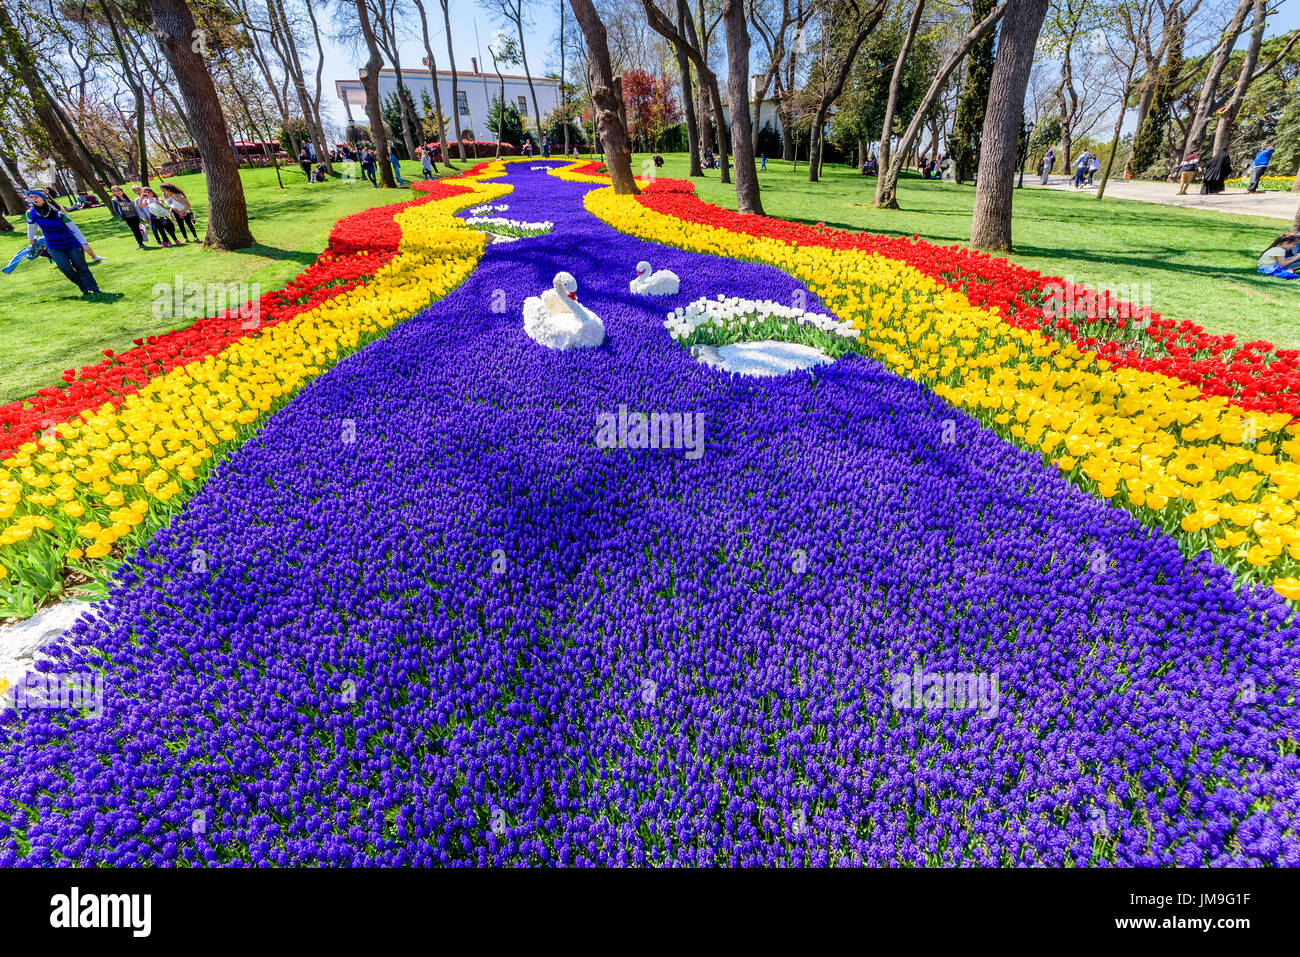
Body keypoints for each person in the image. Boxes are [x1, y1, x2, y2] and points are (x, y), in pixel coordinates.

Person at [23, 189, 102, 295]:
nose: (33, 199)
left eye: (36, 197)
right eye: (31, 197)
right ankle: (81, 285)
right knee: (65, 268)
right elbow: (31, 227)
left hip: (71, 243)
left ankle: (94, 288)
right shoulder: (31, 213)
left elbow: (74, 229)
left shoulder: (57, 212)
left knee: (81, 266)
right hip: (54, 245)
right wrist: (31, 239)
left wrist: (83, 242)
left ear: (43, 198)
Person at [109, 184, 148, 249]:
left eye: (119, 190)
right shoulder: (115, 200)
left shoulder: (127, 199)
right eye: (115, 191)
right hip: (128, 218)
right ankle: (140, 244)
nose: (118, 192)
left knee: (139, 230)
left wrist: (139, 216)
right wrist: (122, 216)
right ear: (113, 193)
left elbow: (134, 208)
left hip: (135, 216)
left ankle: (142, 242)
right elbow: (116, 210)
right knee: (134, 230)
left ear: (122, 191)